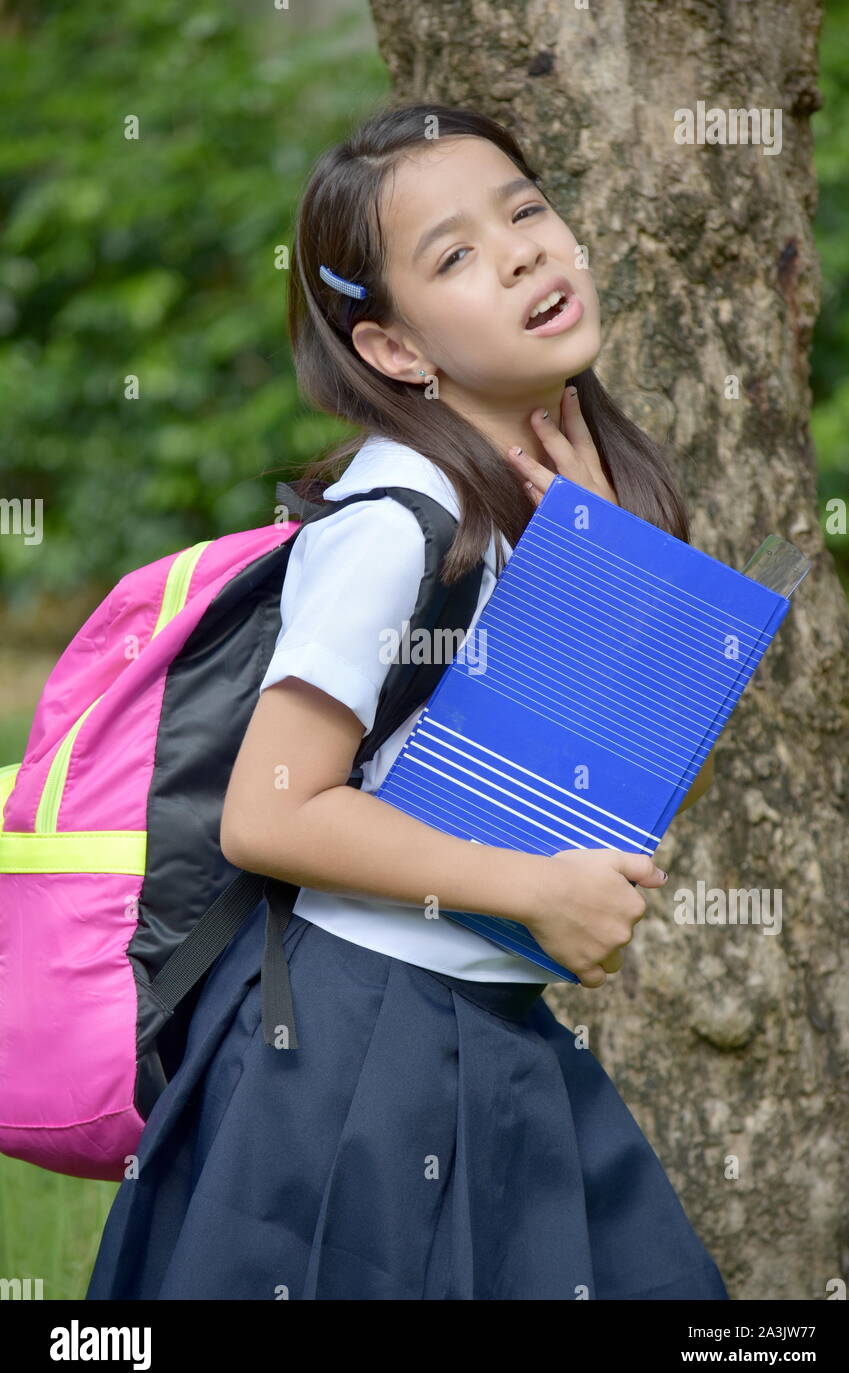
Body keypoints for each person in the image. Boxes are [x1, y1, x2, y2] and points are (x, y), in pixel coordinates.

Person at [86, 100, 727, 1301]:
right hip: (354, 1052)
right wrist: (534, 891)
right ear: (390, 350)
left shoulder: (544, 496)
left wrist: (608, 569)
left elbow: (574, 780)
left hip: (480, 1022)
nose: (522, 252)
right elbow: (271, 812)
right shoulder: (393, 525)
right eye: (456, 254)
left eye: (524, 212)